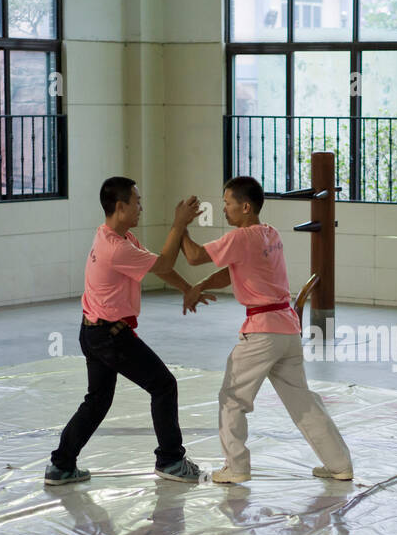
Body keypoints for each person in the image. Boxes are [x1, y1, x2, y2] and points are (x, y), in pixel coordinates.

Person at [180, 176, 352, 484]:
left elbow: (193, 257)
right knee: (302, 400)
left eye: (228, 204)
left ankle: (237, 466)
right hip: (287, 330)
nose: (224, 210)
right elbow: (233, 272)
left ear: (245, 207)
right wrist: (203, 284)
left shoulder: (242, 237)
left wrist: (180, 225)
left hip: (262, 332)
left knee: (232, 398)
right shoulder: (269, 234)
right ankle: (340, 464)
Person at [45, 177, 214, 486]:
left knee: (97, 401)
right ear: (120, 206)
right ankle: (171, 460)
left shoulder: (114, 237)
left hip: (94, 332)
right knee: (164, 385)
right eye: (136, 201)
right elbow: (164, 263)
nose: (141, 207)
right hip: (111, 337)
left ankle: (61, 465)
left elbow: (156, 265)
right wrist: (178, 224)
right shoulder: (115, 249)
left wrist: (188, 289)